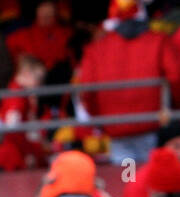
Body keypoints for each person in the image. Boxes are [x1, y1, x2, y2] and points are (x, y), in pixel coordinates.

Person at [77, 0, 180, 167]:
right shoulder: (158, 41)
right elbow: (175, 77)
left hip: (117, 129)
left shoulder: (97, 48)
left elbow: (86, 90)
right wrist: (173, 110)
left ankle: (130, 189)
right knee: (149, 174)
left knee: (127, 176)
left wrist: (99, 121)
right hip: (151, 124)